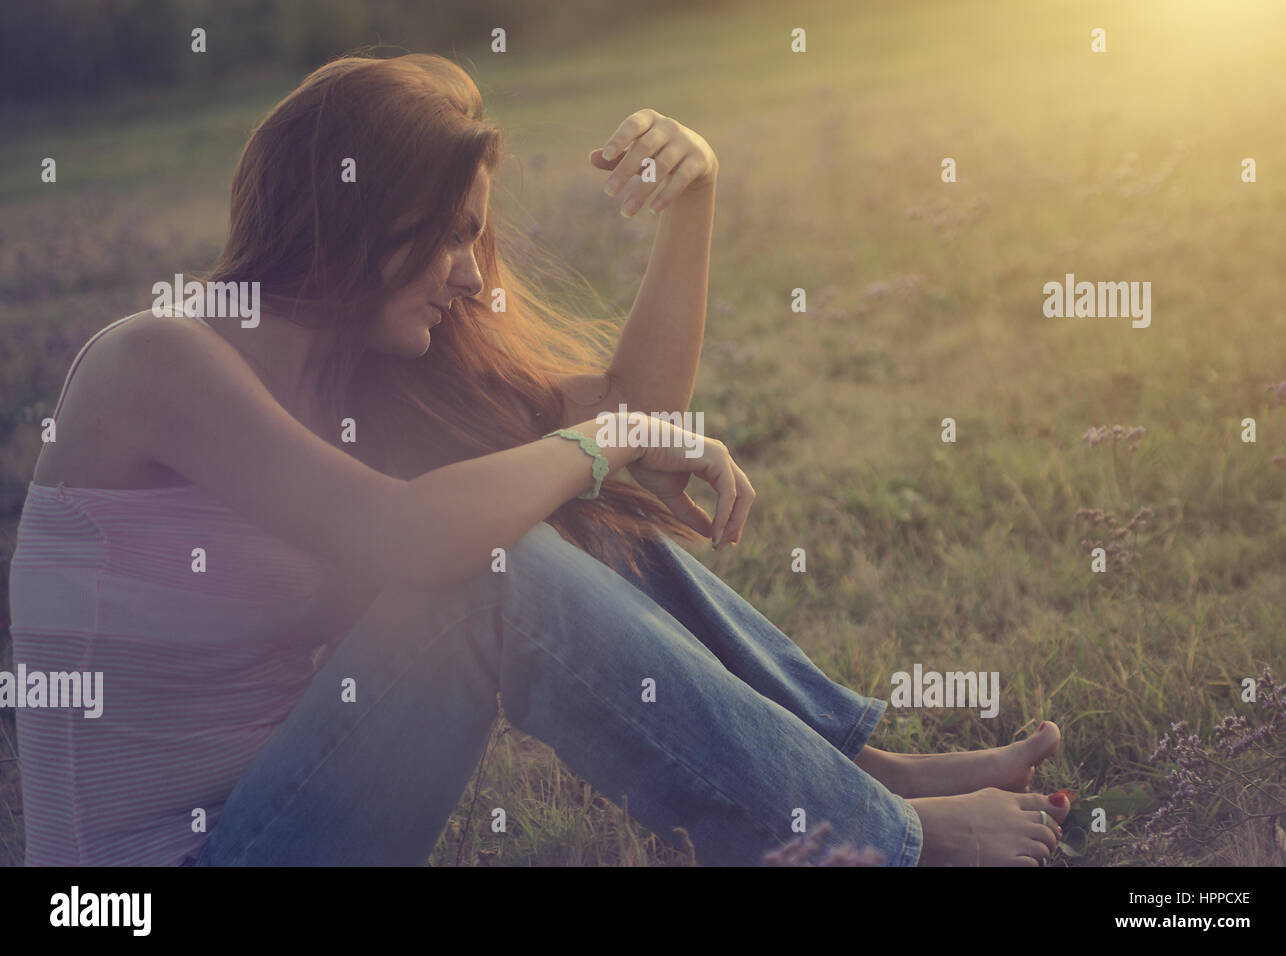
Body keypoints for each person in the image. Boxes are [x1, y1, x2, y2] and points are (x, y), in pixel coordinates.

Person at [8, 52, 1069, 867]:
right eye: (449, 236)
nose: (472, 275)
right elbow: (413, 535)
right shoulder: (152, 362)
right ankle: (885, 839)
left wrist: (692, 201)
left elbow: (628, 415)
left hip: (276, 822)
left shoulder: (357, 392)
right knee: (487, 569)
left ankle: (857, 773)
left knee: (527, 503)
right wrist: (596, 447)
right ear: (359, 222)